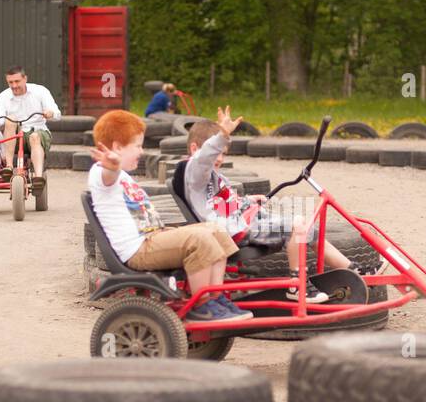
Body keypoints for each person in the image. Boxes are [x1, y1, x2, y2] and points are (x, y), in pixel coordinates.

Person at [88, 110, 251, 322]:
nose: (142, 151)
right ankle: (201, 305)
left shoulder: (125, 176)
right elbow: (107, 178)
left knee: (215, 229)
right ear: (118, 147)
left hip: (153, 238)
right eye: (137, 146)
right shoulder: (101, 172)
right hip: (137, 249)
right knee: (198, 239)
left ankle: (215, 297)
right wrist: (112, 166)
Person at [185, 107, 352, 304]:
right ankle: (296, 286)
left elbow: (226, 204)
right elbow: (203, 161)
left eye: (223, 153)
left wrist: (248, 200)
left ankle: (351, 269)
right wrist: (223, 134)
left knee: (306, 226)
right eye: (216, 153)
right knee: (296, 226)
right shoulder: (195, 173)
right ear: (196, 149)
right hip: (230, 234)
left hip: (239, 225)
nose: (220, 158)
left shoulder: (214, 177)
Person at [0, 66, 59, 187]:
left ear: (25, 79)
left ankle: (38, 178)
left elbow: (57, 114)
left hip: (38, 132)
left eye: (17, 81)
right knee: (10, 119)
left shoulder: (40, 91)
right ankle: (8, 166)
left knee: (34, 137)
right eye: (10, 82)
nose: (14, 86)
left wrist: (51, 113)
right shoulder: (3, 96)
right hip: (15, 137)